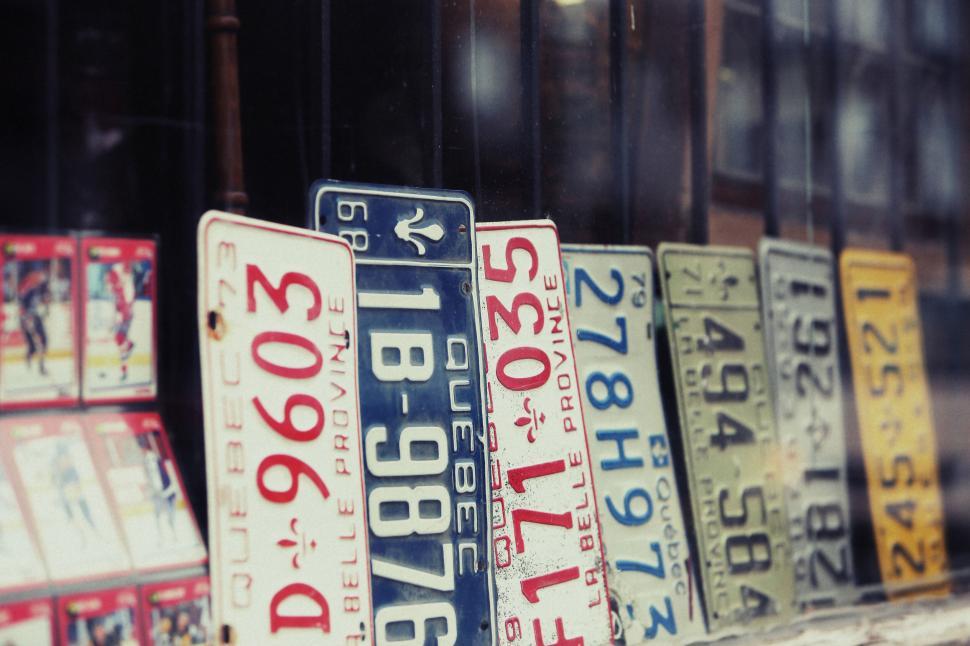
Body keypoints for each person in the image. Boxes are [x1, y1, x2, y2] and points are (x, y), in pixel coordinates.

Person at [104, 262, 135, 381]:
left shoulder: (119, 287)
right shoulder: (117, 288)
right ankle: (129, 346)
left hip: (125, 315)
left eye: (108, 280)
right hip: (124, 315)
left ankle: (124, 370)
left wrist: (120, 316)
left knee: (120, 340)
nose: (107, 283)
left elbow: (123, 303)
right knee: (120, 341)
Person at [17, 266, 50, 377]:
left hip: (36, 317)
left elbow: (43, 300)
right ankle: (29, 362)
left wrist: (46, 306)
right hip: (28, 318)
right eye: (38, 275)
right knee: (33, 346)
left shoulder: (38, 288)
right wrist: (26, 319)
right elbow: (22, 305)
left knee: (44, 341)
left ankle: (41, 366)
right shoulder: (27, 289)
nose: (41, 278)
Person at [143, 440, 177, 544]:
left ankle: (174, 536)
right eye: (147, 461)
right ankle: (161, 538)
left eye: (152, 460)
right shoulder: (148, 476)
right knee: (158, 518)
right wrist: (151, 494)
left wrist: (165, 494)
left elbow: (174, 486)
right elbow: (148, 490)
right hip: (158, 498)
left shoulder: (165, 470)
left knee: (169, 518)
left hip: (168, 496)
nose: (150, 464)